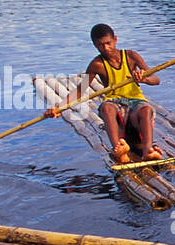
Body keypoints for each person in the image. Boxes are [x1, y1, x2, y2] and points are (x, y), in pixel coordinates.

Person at [50, 23, 164, 164]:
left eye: (108, 43)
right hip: (115, 104)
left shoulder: (131, 56)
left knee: (146, 109)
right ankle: (119, 151)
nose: (105, 48)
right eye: (100, 45)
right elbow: (80, 90)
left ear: (115, 39)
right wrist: (60, 107)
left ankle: (148, 151)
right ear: (94, 45)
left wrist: (144, 78)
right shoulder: (96, 64)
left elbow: (156, 79)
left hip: (136, 103)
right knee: (106, 107)